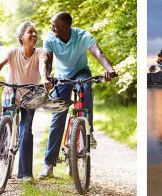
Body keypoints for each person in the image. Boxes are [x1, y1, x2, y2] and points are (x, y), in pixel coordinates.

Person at [40, 11, 118, 178]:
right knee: (58, 117)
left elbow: (98, 52)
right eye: (52, 24)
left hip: (81, 72)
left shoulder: (83, 36)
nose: (52, 27)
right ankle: (48, 164)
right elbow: (47, 60)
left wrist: (109, 69)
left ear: (66, 27)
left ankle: (88, 131)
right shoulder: (50, 38)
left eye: (55, 25)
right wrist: (46, 76)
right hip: (62, 77)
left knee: (86, 87)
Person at [0, 21, 50, 181]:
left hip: (29, 97)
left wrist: (45, 77)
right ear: (21, 37)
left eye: (35, 32)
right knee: (5, 119)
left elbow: (42, 66)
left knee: (26, 131)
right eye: (30, 32)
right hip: (10, 92)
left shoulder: (40, 52)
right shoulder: (13, 52)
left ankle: (25, 173)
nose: (34, 35)